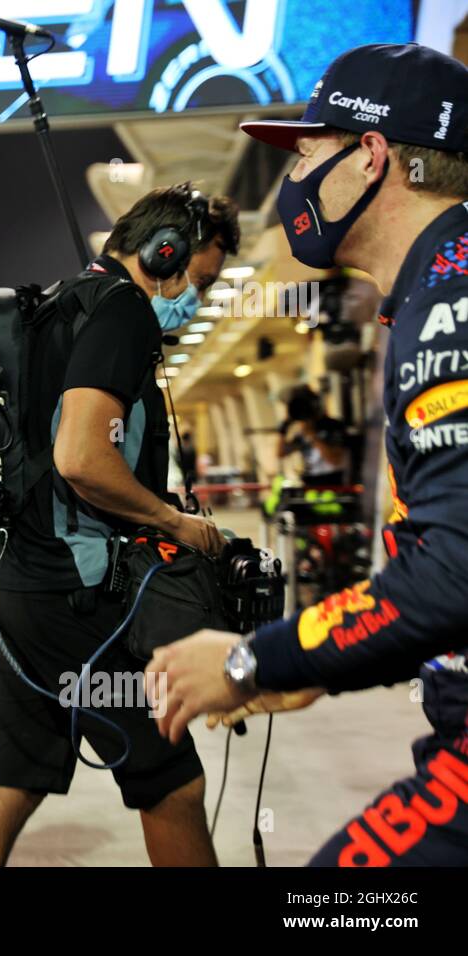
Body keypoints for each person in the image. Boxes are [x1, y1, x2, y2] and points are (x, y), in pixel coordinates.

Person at [147, 43, 468, 866]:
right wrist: (327, 662)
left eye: (309, 151)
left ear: (371, 157)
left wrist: (254, 658)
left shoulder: (451, 307)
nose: (294, 180)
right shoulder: (438, 289)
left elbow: (454, 574)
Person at [0, 184, 240, 867]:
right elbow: (81, 458)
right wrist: (174, 520)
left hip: (25, 586)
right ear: (163, 251)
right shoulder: (123, 311)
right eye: (199, 278)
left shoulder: (61, 306)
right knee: (173, 785)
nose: (196, 297)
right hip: (84, 599)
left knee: (7, 782)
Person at [278, 385, 349, 487]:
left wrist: (312, 435)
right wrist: (283, 428)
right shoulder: (301, 432)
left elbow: (334, 460)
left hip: (334, 483)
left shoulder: (333, 426)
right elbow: (280, 453)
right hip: (311, 484)